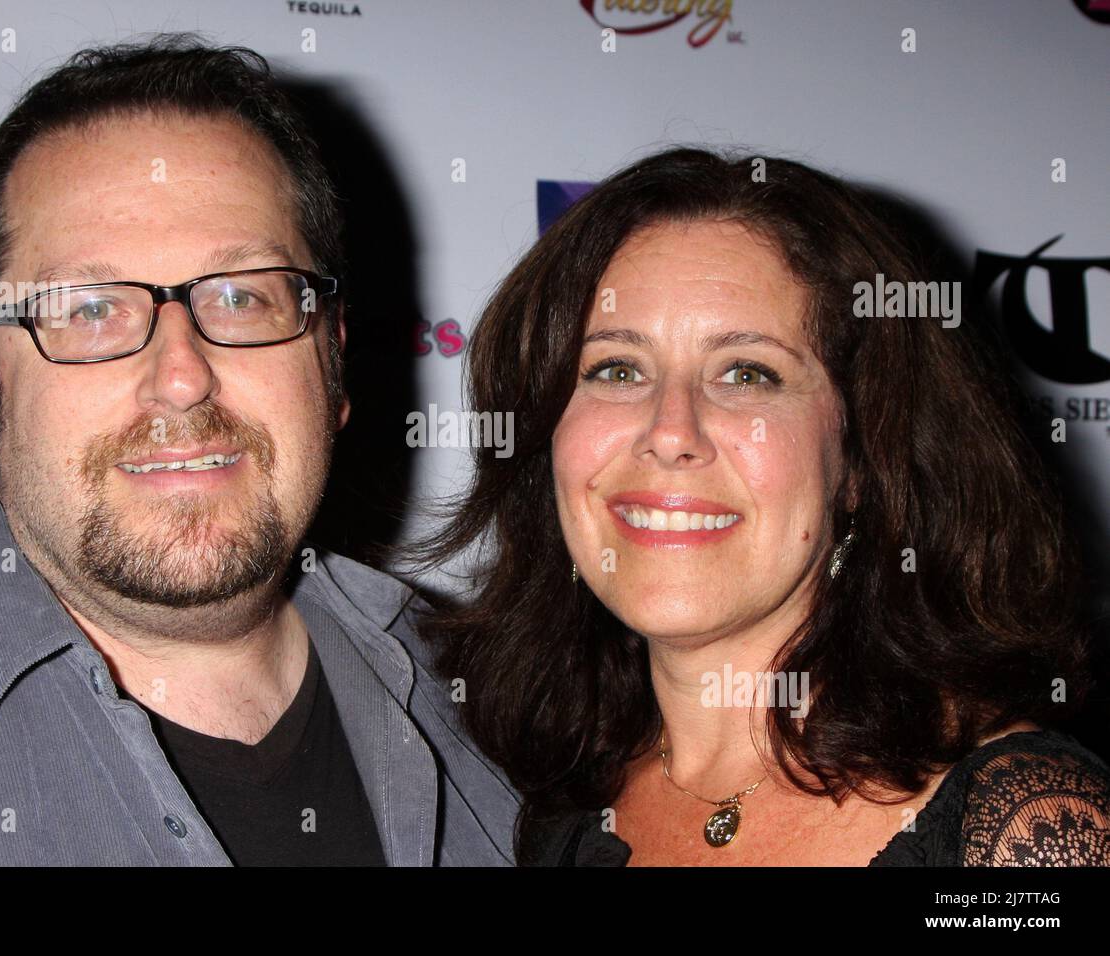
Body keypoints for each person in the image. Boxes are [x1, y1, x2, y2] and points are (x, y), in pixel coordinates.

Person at [0, 34, 517, 866]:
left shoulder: (496, 705)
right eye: (90, 309)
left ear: (332, 360)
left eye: (241, 296)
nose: (180, 378)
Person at [415, 146, 1110, 866]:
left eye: (747, 373)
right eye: (617, 369)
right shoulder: (543, 804)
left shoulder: (1027, 832)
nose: (671, 434)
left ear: (861, 464)